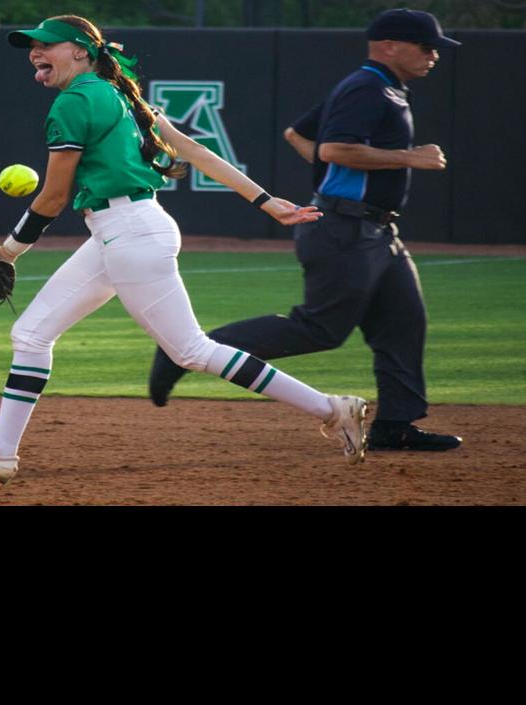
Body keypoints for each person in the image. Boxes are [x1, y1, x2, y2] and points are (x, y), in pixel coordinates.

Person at [0, 14, 372, 485]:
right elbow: (196, 153)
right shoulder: (122, 96)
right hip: (124, 231)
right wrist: (264, 200)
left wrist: (9, 251)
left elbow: (53, 198)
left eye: (46, 45)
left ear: (81, 51)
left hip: (130, 234)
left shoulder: (75, 102)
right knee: (32, 335)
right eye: (31, 47)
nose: (36, 52)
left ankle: (330, 407)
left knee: (192, 351)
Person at [147, 8, 463, 453]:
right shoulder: (367, 87)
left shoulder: (385, 88)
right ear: (390, 46)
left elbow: (298, 134)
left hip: (376, 229)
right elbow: (333, 148)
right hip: (345, 228)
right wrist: (410, 158)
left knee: (403, 322)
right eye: (426, 46)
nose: (434, 55)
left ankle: (396, 424)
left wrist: (332, 174)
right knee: (321, 329)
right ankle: (187, 351)